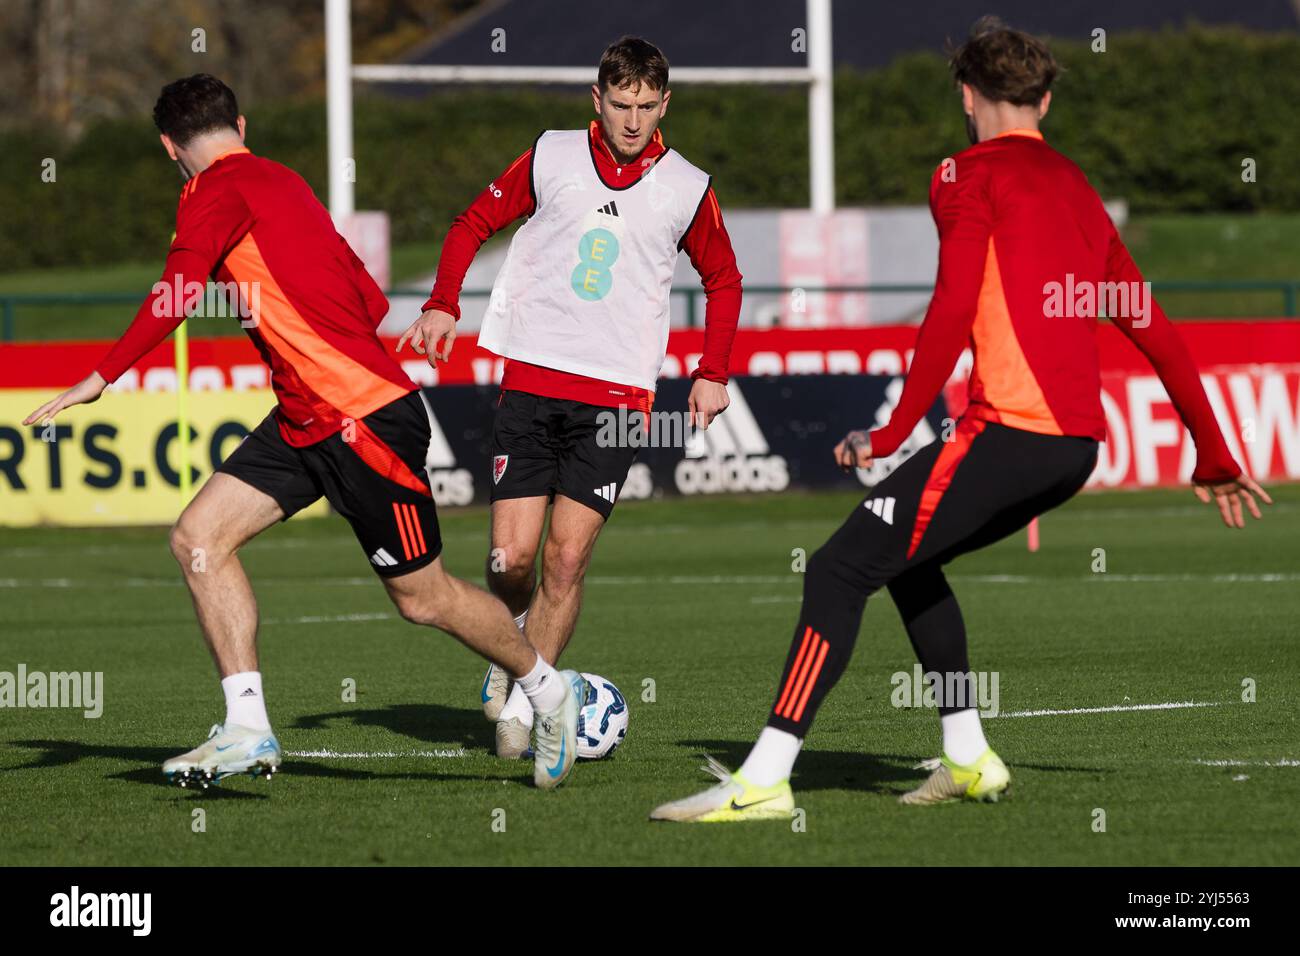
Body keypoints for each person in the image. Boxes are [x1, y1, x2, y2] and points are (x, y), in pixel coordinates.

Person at [650, 17, 1271, 822]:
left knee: (838, 568)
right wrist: (1213, 451)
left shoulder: (962, 173)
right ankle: (969, 755)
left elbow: (949, 308)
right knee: (906, 562)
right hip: (1074, 449)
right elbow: (1154, 329)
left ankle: (764, 778)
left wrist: (889, 432)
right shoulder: (1079, 189)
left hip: (1010, 432)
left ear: (967, 95)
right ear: (1045, 102)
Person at [23, 74, 585, 791]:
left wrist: (101, 376)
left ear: (169, 147)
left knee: (423, 598)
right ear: (242, 125)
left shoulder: (208, 192)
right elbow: (368, 298)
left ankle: (548, 690)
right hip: (305, 417)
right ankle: (247, 728)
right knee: (199, 539)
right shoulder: (284, 181)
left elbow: (178, 292)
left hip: (360, 419)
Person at [398, 36, 744, 758]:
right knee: (509, 562)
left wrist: (712, 370)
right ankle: (511, 644)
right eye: (620, 104)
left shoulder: (687, 186)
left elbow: (724, 279)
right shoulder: (551, 155)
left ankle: (532, 708)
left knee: (564, 561)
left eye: (647, 106)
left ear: (665, 104)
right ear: (597, 98)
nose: (632, 120)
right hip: (531, 384)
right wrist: (441, 303)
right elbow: (471, 223)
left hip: (618, 401)